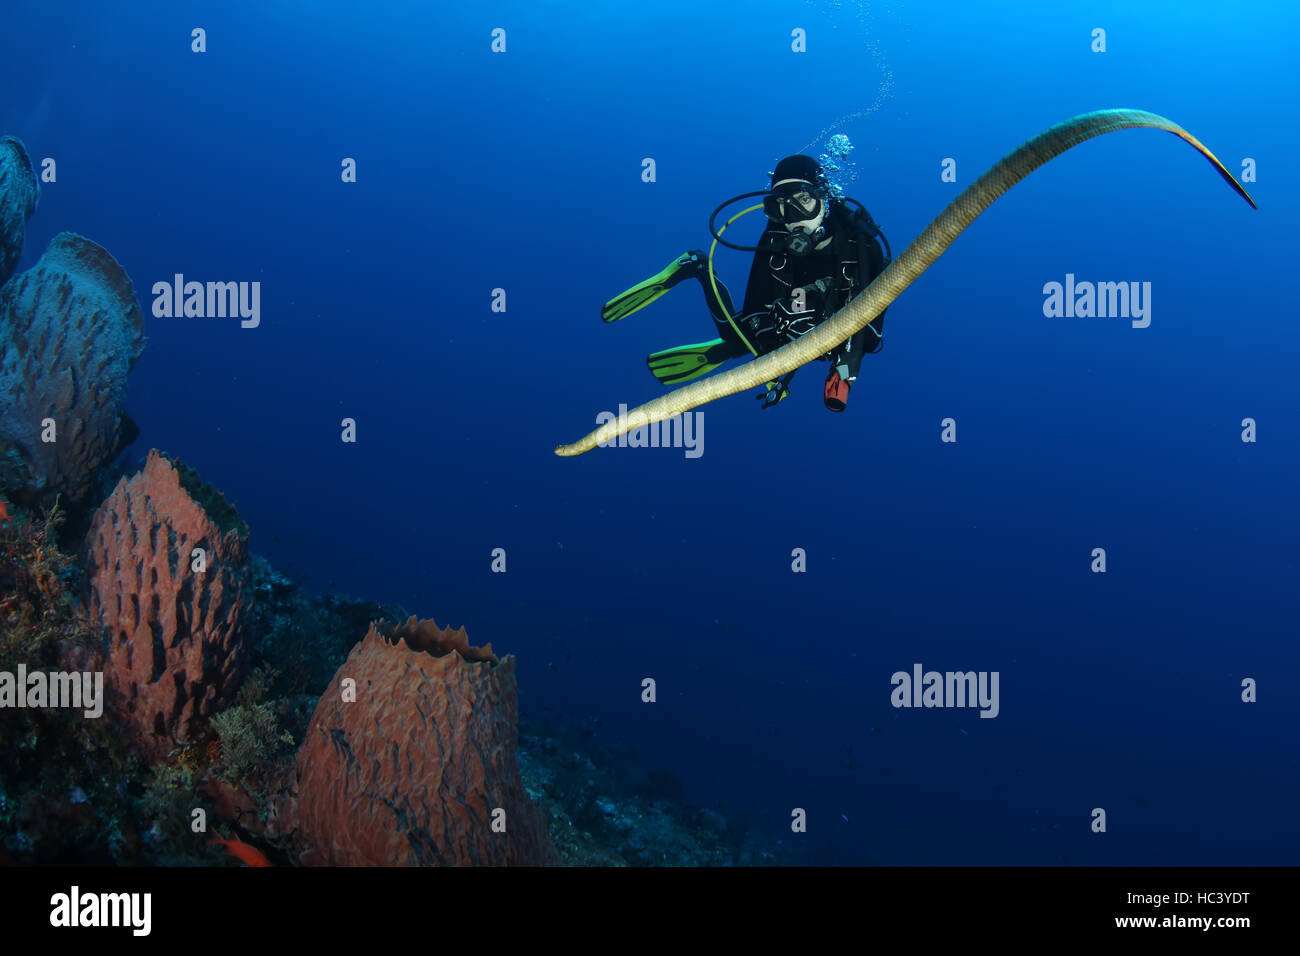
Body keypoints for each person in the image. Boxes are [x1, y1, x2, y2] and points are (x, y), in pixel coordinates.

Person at [601, 154, 891, 411]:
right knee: (733, 336)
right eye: (781, 208)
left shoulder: (864, 250)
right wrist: (777, 320)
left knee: (750, 346)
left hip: (832, 329)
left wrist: (833, 351)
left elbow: (873, 337)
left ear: (824, 198)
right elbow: (754, 308)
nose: (794, 220)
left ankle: (726, 352)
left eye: (803, 201)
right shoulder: (776, 241)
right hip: (788, 317)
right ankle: (697, 266)